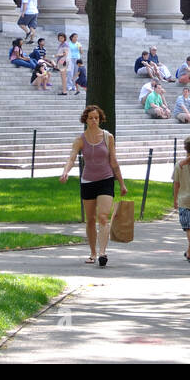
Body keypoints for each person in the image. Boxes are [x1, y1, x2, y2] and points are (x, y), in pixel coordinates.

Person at [59, 105, 126, 267]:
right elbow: (72, 158)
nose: (94, 121)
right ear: (86, 120)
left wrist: (122, 184)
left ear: (100, 119)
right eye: (91, 118)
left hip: (106, 179)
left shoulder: (108, 137)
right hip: (88, 181)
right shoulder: (80, 139)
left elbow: (114, 162)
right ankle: (93, 253)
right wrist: (65, 172)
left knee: (103, 216)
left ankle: (103, 252)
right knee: (90, 219)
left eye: (96, 118)